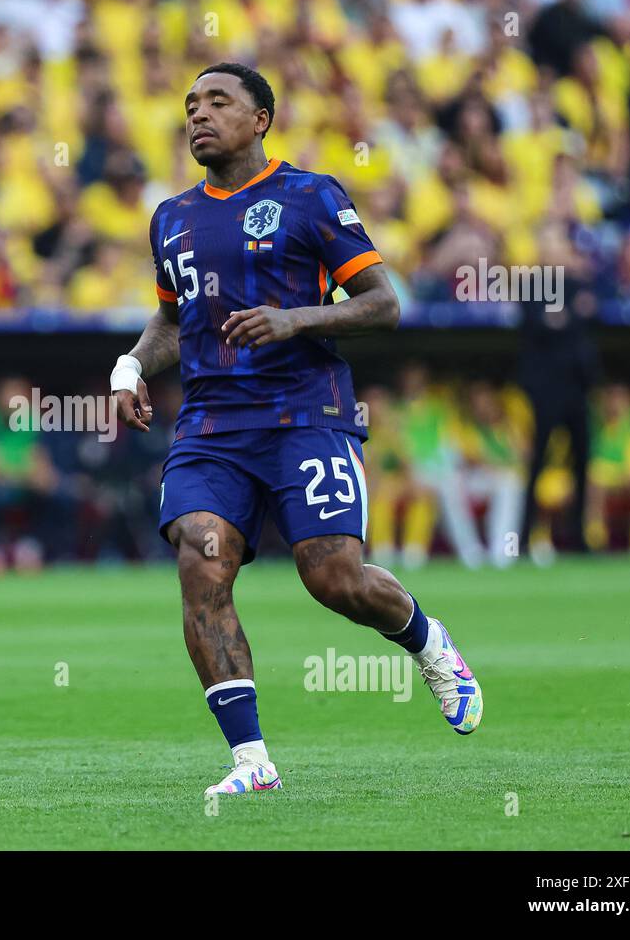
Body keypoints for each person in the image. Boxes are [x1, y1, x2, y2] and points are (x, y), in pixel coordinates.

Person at [110, 63, 483, 796]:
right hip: (212, 427)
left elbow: (383, 302)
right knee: (200, 561)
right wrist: (130, 366)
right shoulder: (172, 216)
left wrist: (296, 320)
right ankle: (252, 763)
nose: (198, 114)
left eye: (218, 101)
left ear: (261, 119)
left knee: (334, 579)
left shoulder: (309, 196)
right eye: (191, 104)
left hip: (305, 415)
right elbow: (171, 319)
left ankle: (427, 640)